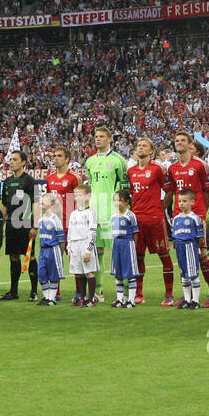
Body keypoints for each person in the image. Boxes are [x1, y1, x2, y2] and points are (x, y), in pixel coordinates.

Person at [166, 131, 209, 305]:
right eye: (177, 140)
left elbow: (208, 191)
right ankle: (187, 294)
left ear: (190, 145)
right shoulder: (172, 168)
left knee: (202, 254)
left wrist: (201, 212)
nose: (179, 143)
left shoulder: (200, 165)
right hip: (178, 217)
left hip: (196, 217)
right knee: (182, 255)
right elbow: (173, 192)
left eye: (183, 140)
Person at [124, 138, 174, 306]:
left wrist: (161, 209)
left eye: (144, 146)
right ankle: (139, 292)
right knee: (138, 256)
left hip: (155, 219)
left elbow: (169, 191)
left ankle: (169, 294)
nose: (140, 148)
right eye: (138, 146)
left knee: (164, 255)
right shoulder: (131, 171)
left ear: (152, 151)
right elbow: (131, 194)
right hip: (137, 219)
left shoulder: (158, 168)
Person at [83, 127, 129, 287]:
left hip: (113, 212)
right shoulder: (90, 161)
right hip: (95, 211)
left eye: (102, 136)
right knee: (98, 252)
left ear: (110, 139)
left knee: (120, 250)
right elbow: (90, 185)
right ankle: (99, 291)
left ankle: (125, 292)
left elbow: (125, 188)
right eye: (96, 136)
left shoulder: (119, 160)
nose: (98, 139)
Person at [0, 150, 38, 301]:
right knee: (13, 257)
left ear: (23, 162)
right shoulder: (7, 182)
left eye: (15, 159)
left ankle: (34, 291)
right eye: (11, 159)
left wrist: (35, 226)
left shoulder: (30, 181)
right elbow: (4, 206)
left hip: (26, 224)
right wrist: (0, 225)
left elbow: (36, 203)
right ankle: (13, 291)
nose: (11, 162)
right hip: (11, 225)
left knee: (30, 255)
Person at [171, 189, 208, 309]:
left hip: (190, 247)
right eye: (179, 201)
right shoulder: (176, 218)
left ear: (192, 202)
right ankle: (187, 300)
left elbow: (200, 237)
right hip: (180, 248)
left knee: (193, 274)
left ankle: (195, 301)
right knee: (184, 274)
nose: (181, 203)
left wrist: (195, 247)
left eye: (184, 201)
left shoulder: (195, 218)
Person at [67, 183, 99, 307]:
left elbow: (92, 232)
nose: (77, 197)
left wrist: (88, 250)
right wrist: (69, 248)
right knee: (79, 272)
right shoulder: (73, 213)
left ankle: (91, 299)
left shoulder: (91, 213)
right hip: (75, 245)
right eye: (76, 195)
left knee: (89, 272)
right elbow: (70, 232)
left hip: (85, 244)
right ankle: (82, 297)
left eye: (80, 195)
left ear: (87, 197)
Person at [108, 189, 140, 308]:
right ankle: (119, 299)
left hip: (127, 243)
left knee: (130, 274)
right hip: (116, 244)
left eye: (120, 200)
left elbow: (135, 233)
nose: (117, 203)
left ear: (127, 202)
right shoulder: (113, 216)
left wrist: (133, 247)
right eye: (115, 200)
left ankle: (131, 300)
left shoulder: (130, 215)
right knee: (118, 274)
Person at [35, 192, 66, 306]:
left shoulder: (55, 220)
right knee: (41, 274)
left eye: (43, 204)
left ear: (52, 204)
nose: (41, 206)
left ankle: (51, 298)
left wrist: (60, 253)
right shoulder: (41, 220)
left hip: (53, 250)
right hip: (43, 250)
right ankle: (46, 297)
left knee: (53, 275)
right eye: (40, 203)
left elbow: (61, 239)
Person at [46, 147, 80, 226]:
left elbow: (79, 202)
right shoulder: (49, 177)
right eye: (54, 156)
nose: (56, 158)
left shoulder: (74, 177)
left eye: (59, 156)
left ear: (67, 159)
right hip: (53, 221)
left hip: (68, 222)